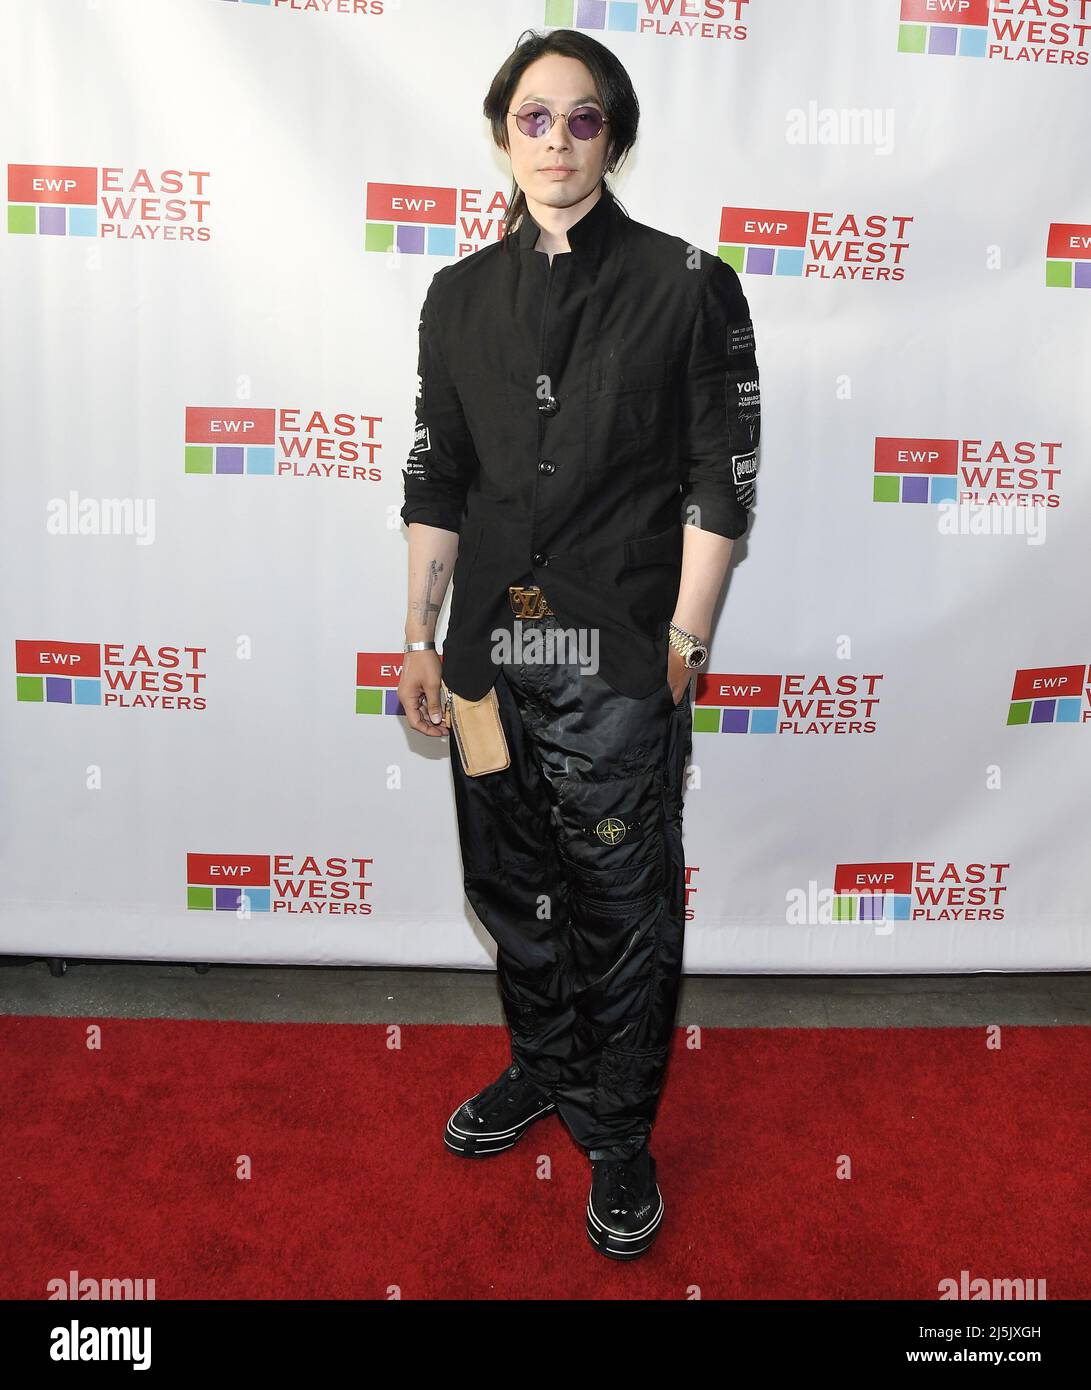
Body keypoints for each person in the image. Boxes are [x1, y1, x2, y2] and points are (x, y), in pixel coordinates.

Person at [397, 27, 761, 1261]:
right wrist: (417, 636)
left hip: (613, 666)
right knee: (509, 887)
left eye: (583, 117)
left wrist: (683, 642)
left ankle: (617, 1133)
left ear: (617, 135)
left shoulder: (686, 285)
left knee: (620, 906)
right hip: (484, 666)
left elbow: (719, 482)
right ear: (503, 133)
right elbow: (438, 479)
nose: (556, 140)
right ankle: (545, 1065)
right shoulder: (455, 298)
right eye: (533, 118)